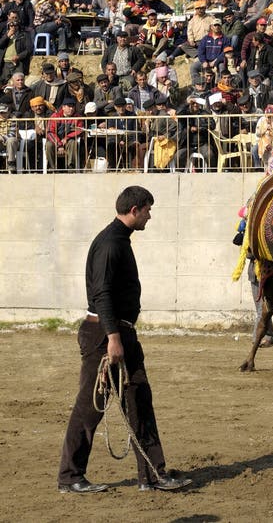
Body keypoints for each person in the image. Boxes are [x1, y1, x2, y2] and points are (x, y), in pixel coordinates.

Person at [58, 187, 190, 493]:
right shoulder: (109, 244)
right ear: (134, 210)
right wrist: (113, 338)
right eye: (147, 210)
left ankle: (153, 476)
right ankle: (70, 476)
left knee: (139, 400)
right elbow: (101, 294)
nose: (149, 215)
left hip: (120, 333)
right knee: (90, 407)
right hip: (105, 336)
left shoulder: (118, 240)